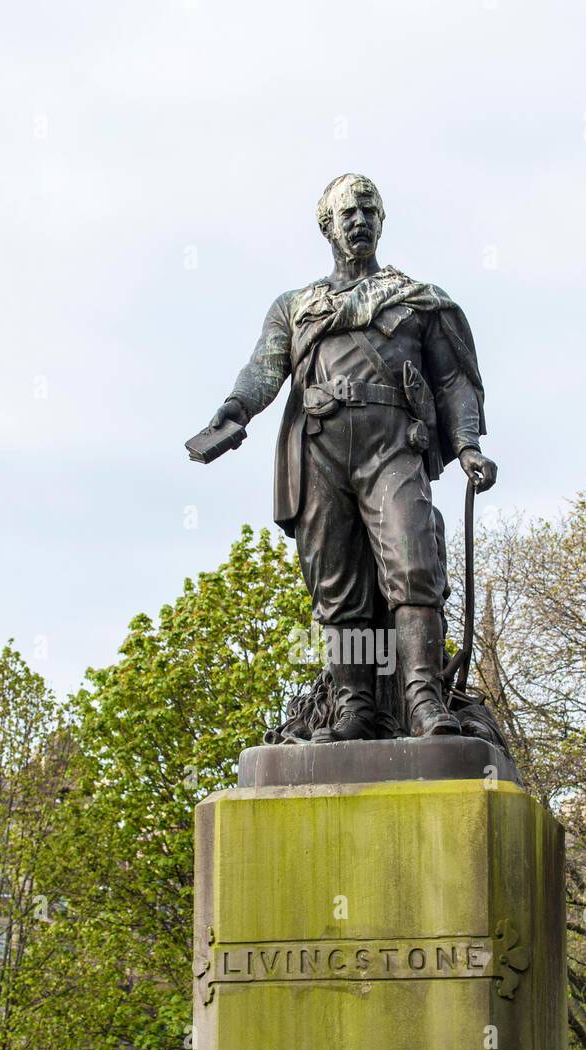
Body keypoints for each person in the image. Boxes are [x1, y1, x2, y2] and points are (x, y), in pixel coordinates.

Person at [201, 173, 496, 740]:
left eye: (369, 211)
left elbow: (454, 379)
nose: (359, 221)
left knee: (413, 566)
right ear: (327, 227)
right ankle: (354, 708)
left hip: (393, 450)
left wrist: (467, 446)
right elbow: (265, 368)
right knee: (338, 586)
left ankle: (423, 703)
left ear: (381, 222)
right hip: (320, 450)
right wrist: (234, 410)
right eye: (348, 213)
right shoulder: (295, 306)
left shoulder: (416, 300)